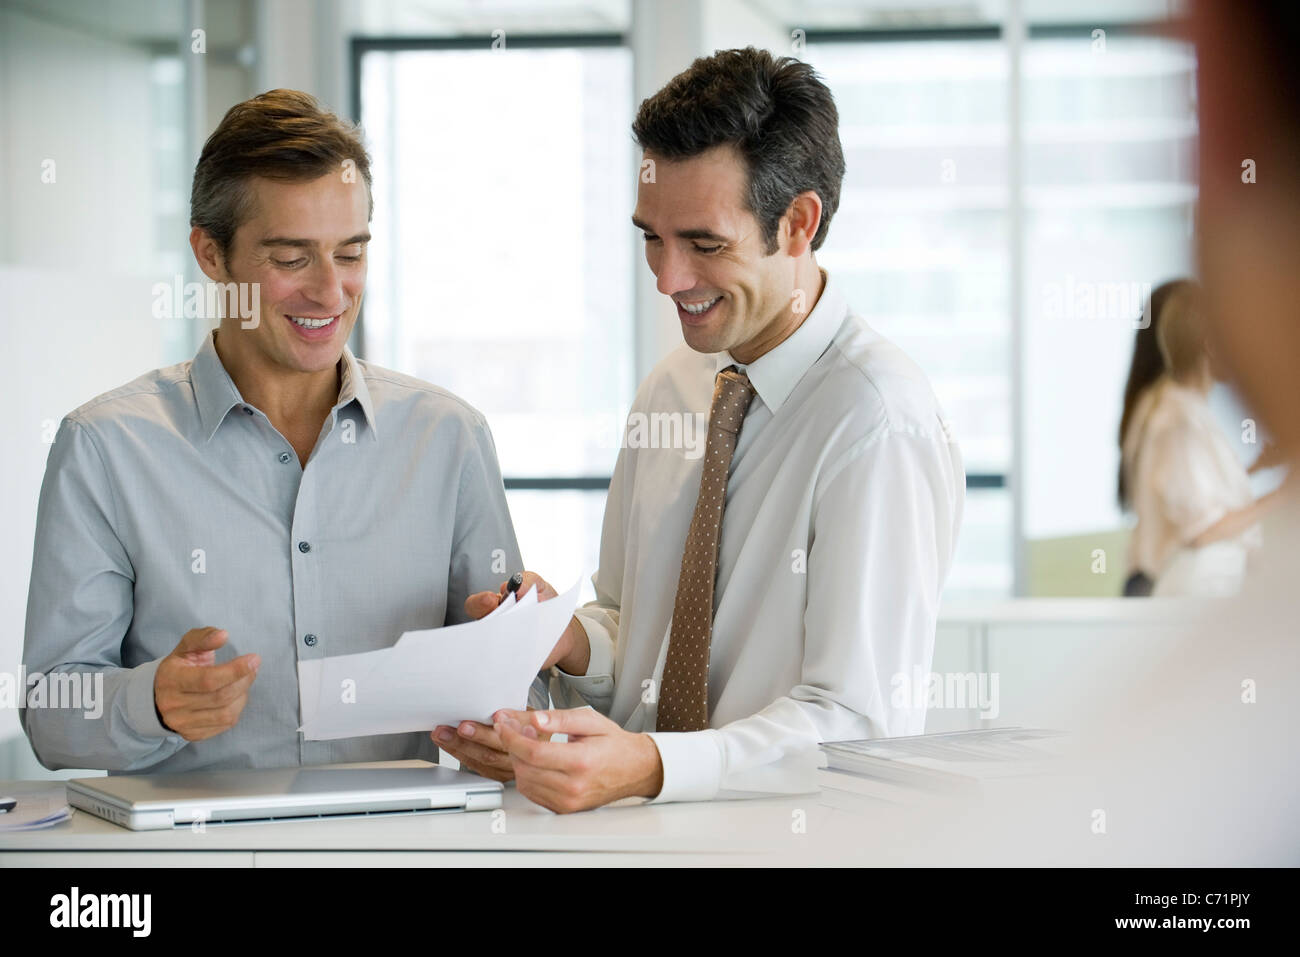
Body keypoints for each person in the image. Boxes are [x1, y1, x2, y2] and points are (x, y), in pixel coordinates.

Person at [434, 48, 965, 812]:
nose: (668, 278)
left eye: (704, 244)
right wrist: (568, 641)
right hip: (632, 840)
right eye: (652, 237)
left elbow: (857, 724)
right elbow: (633, 626)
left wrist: (650, 765)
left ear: (799, 223)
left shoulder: (878, 419)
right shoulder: (676, 384)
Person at [20, 90, 541, 773]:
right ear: (211, 254)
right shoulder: (105, 447)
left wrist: (510, 698)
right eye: (292, 259)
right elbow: (53, 710)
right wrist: (152, 701)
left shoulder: (449, 436)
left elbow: (518, 693)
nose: (330, 292)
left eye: (350, 254)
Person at [1120, 280, 1278, 596]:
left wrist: (1251, 472)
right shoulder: (1176, 418)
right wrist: (1285, 493)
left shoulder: (1184, 410)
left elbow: (1192, 493)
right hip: (1175, 585)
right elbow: (1202, 528)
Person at [1116, 279, 1183, 595]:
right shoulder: (1170, 408)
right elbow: (1192, 510)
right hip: (1157, 580)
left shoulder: (1146, 401)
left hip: (1143, 577)